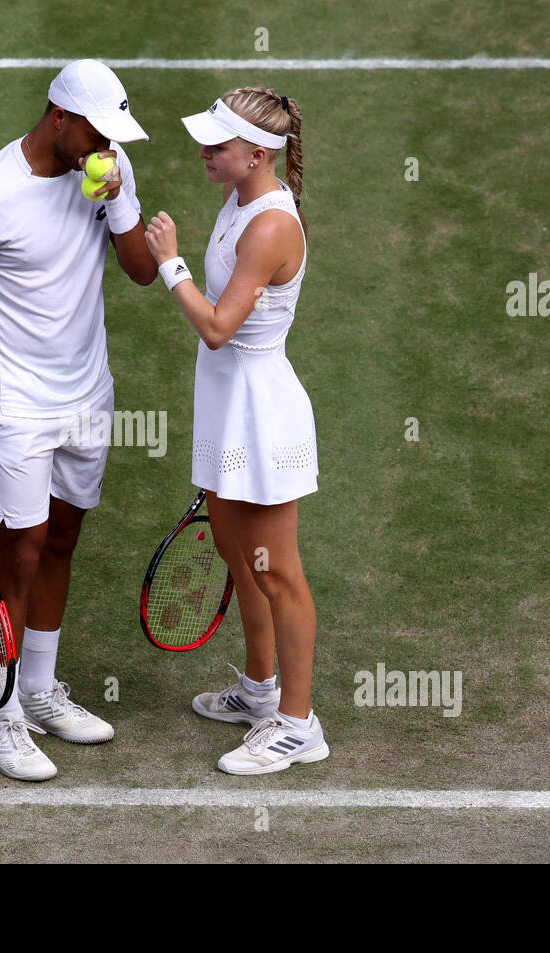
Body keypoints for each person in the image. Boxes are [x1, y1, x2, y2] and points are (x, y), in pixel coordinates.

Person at [0, 60, 158, 781]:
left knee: (61, 538)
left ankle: (38, 688)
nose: (108, 148)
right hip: (12, 404)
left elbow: (143, 271)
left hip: (88, 394)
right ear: (59, 118)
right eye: (97, 133)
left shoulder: (104, 170)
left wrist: (118, 200)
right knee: (19, 552)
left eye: (115, 138)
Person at [145, 87, 327, 775]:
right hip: (226, 404)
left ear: (257, 155)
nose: (204, 152)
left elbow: (219, 328)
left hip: (262, 407)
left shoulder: (272, 226)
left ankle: (299, 724)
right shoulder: (238, 199)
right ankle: (259, 690)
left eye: (217, 146)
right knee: (233, 547)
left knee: (278, 569)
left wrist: (171, 262)